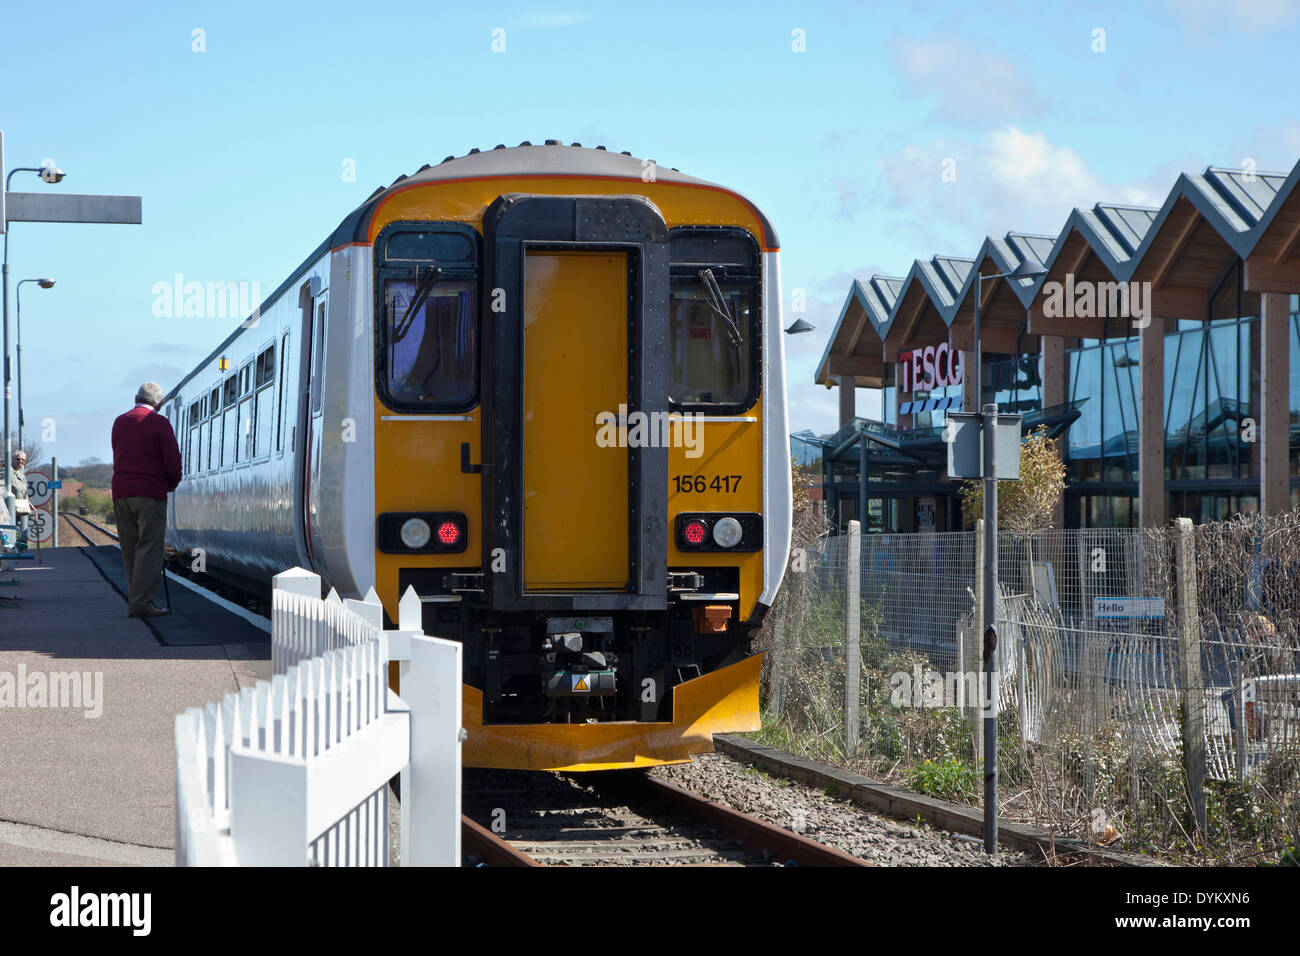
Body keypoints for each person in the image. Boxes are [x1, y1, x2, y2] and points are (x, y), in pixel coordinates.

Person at [111, 382, 182, 618]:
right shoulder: (160, 423)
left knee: (130, 548)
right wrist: (170, 484)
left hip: (121, 492)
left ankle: (136, 599)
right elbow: (172, 462)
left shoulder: (120, 421)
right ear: (159, 404)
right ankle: (142, 604)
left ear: (135, 397)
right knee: (150, 548)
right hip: (150, 492)